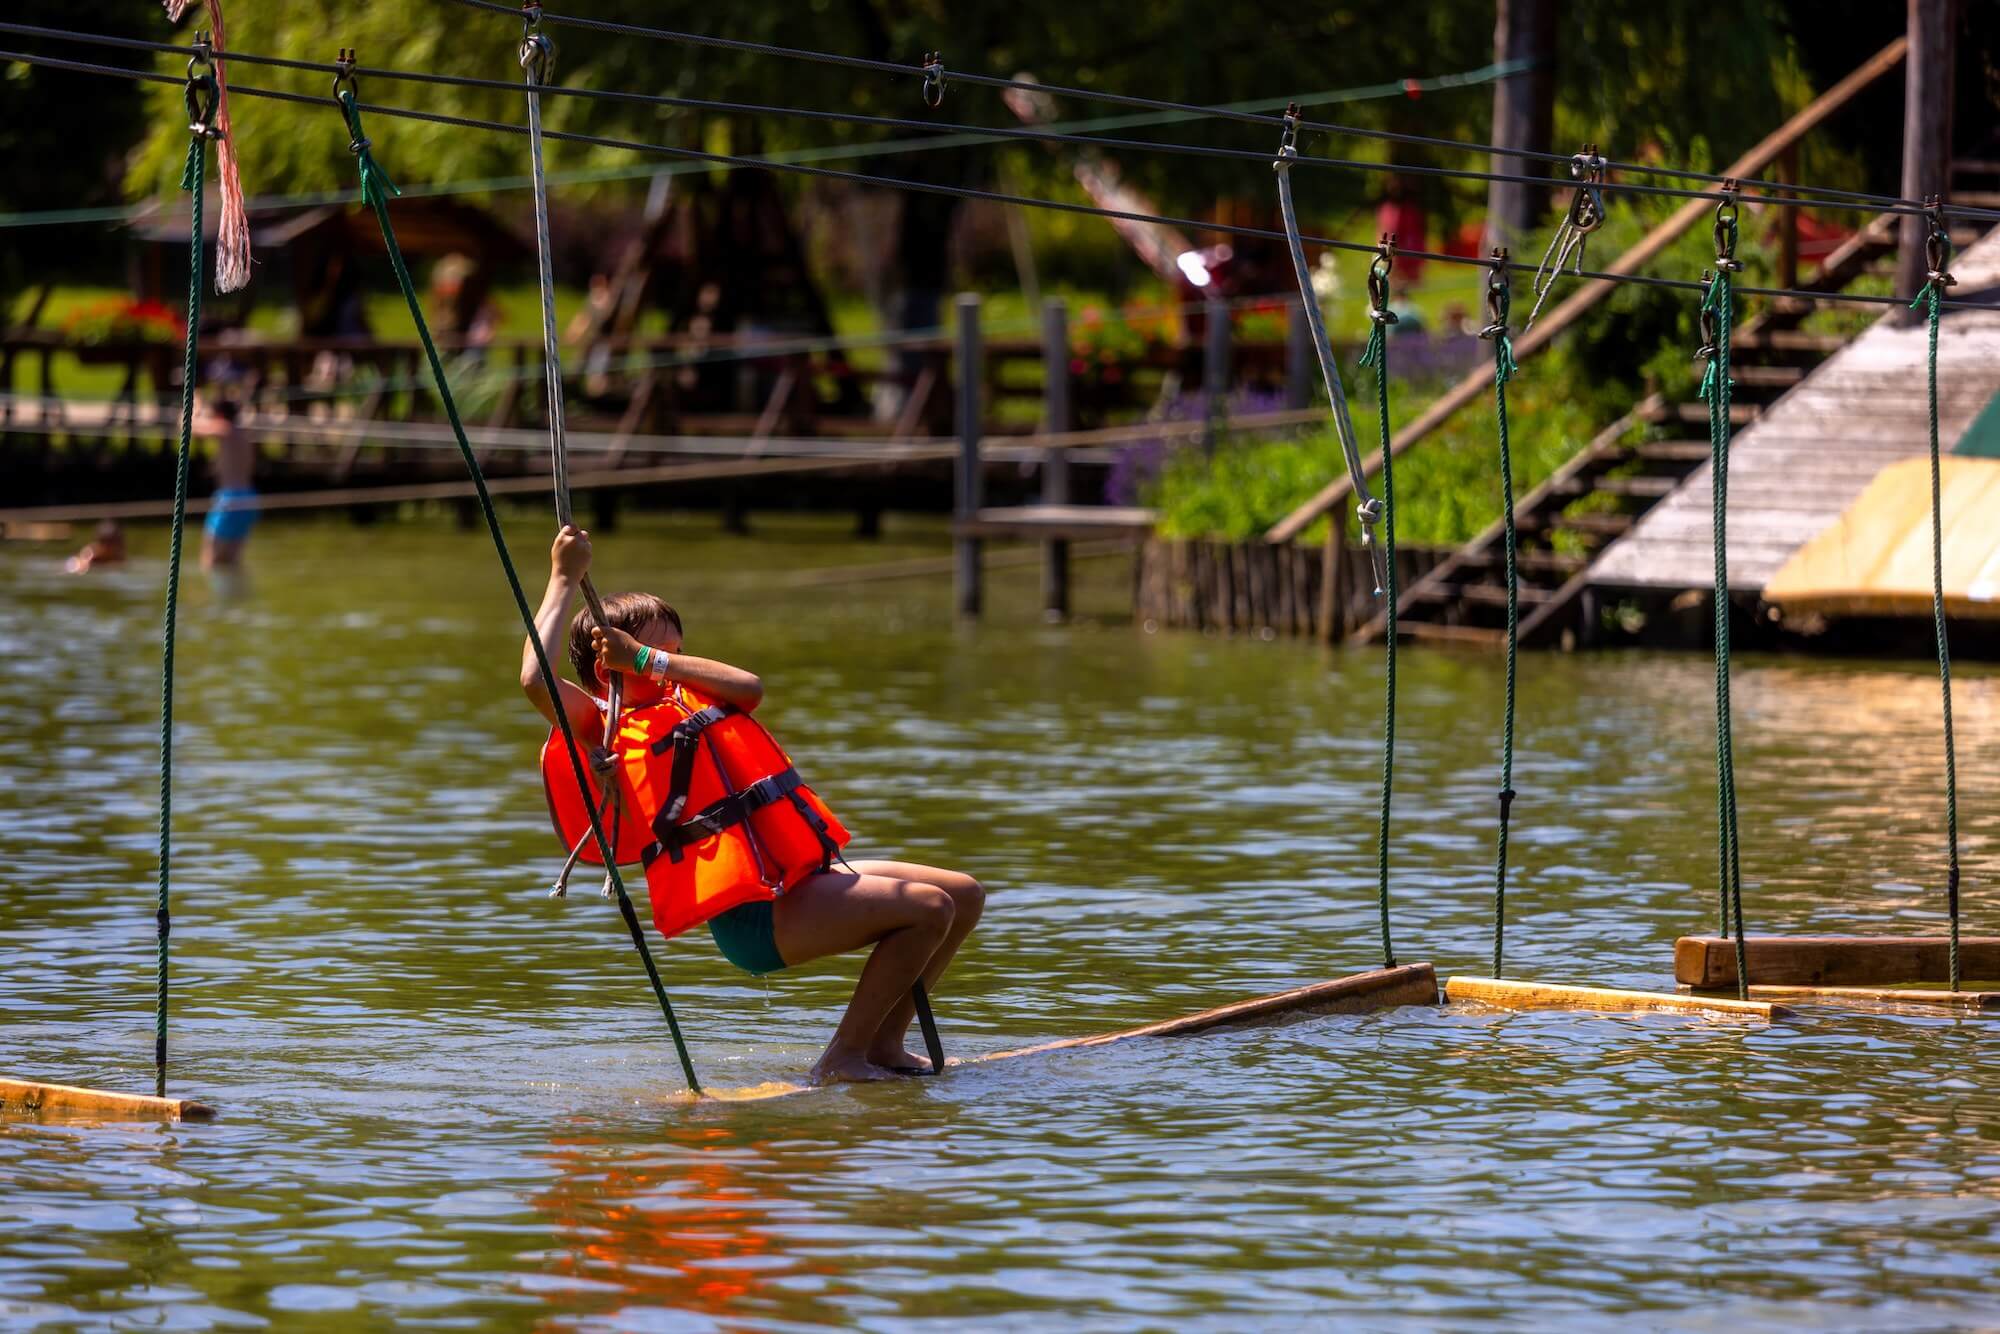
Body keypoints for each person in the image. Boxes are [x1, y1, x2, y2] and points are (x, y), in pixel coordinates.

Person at [521, 525, 984, 1085]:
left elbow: (751, 686)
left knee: (962, 894)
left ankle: (884, 1044)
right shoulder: (603, 725)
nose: (671, 664)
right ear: (606, 666)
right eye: (657, 654)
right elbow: (533, 678)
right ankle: (843, 1058)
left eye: (674, 654)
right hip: (753, 915)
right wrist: (563, 578)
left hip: (794, 879)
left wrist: (648, 659)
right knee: (927, 909)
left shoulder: (692, 693)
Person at [196, 396, 257, 571]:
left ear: (220, 414)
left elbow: (190, 428)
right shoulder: (242, 433)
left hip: (230, 500)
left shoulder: (225, 428)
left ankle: (214, 597)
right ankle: (232, 597)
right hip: (248, 499)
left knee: (210, 560)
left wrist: (194, 406)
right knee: (231, 563)